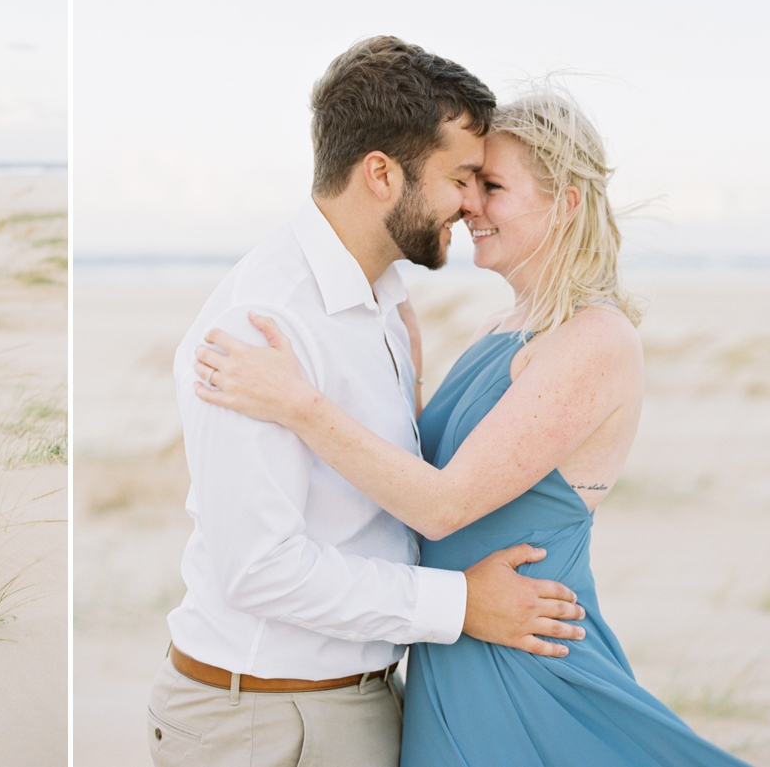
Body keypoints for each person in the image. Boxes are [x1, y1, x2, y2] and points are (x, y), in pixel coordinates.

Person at [193, 87, 750, 764]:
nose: (470, 206)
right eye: (468, 182)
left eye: (492, 186)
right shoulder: (503, 327)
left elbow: (443, 504)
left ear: (567, 202)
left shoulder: (594, 337)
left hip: (524, 669)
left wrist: (299, 403)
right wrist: (412, 383)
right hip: (455, 652)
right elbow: (442, 469)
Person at [147, 37, 588, 767]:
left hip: (354, 698)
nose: (472, 203)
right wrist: (459, 603)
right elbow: (257, 568)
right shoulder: (262, 325)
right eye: (460, 177)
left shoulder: (384, 298)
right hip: (263, 717)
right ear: (381, 173)